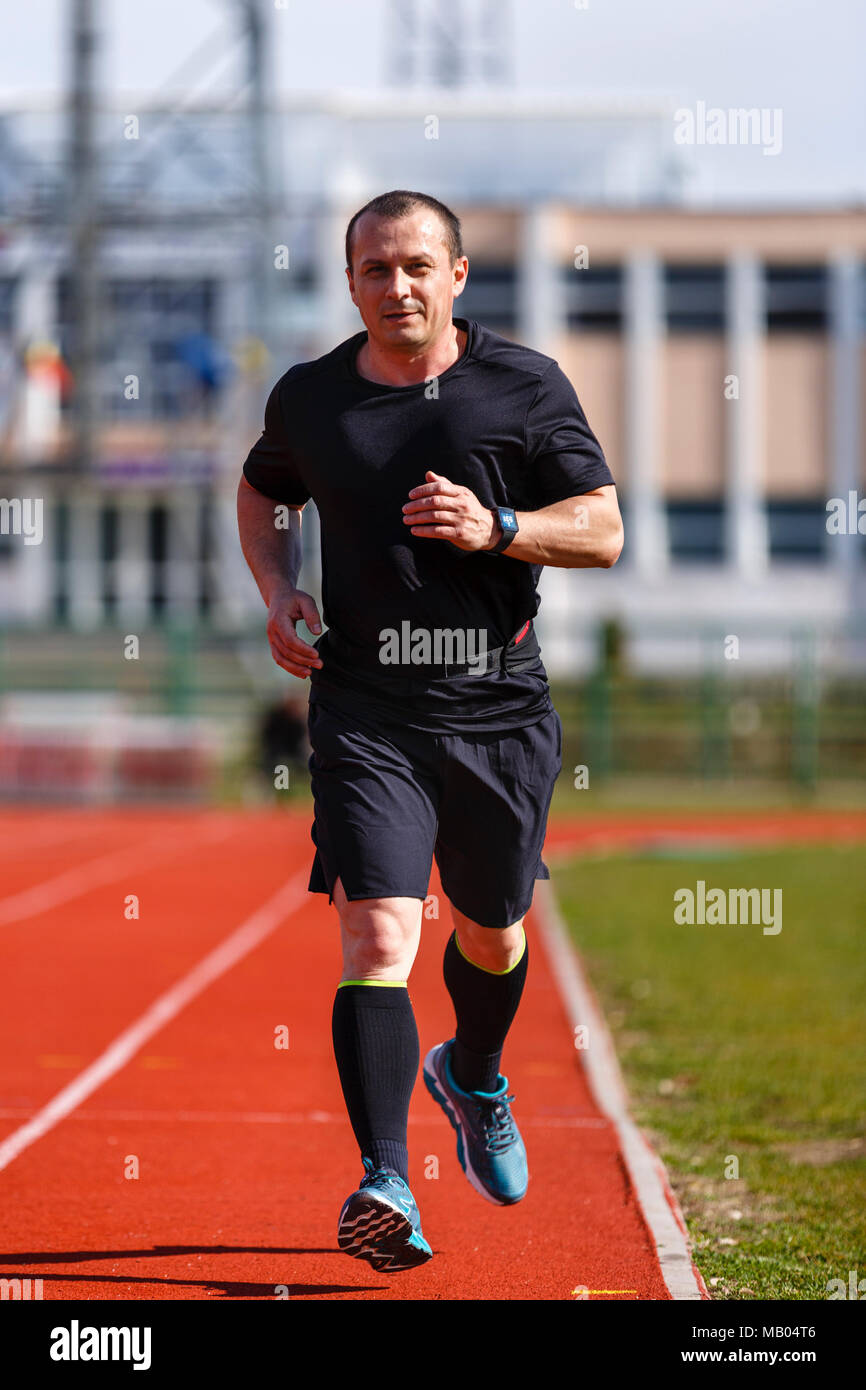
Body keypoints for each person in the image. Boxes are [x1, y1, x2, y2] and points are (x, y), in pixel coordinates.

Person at [237, 190, 623, 1273]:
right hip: (366, 709)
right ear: (348, 281)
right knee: (377, 937)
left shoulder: (522, 384)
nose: (394, 287)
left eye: (416, 266)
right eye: (372, 269)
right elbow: (265, 491)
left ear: (455, 276)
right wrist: (277, 590)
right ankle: (385, 1180)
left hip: (495, 704)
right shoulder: (311, 398)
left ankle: (476, 1072)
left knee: (491, 933)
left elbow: (601, 529)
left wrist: (499, 526)